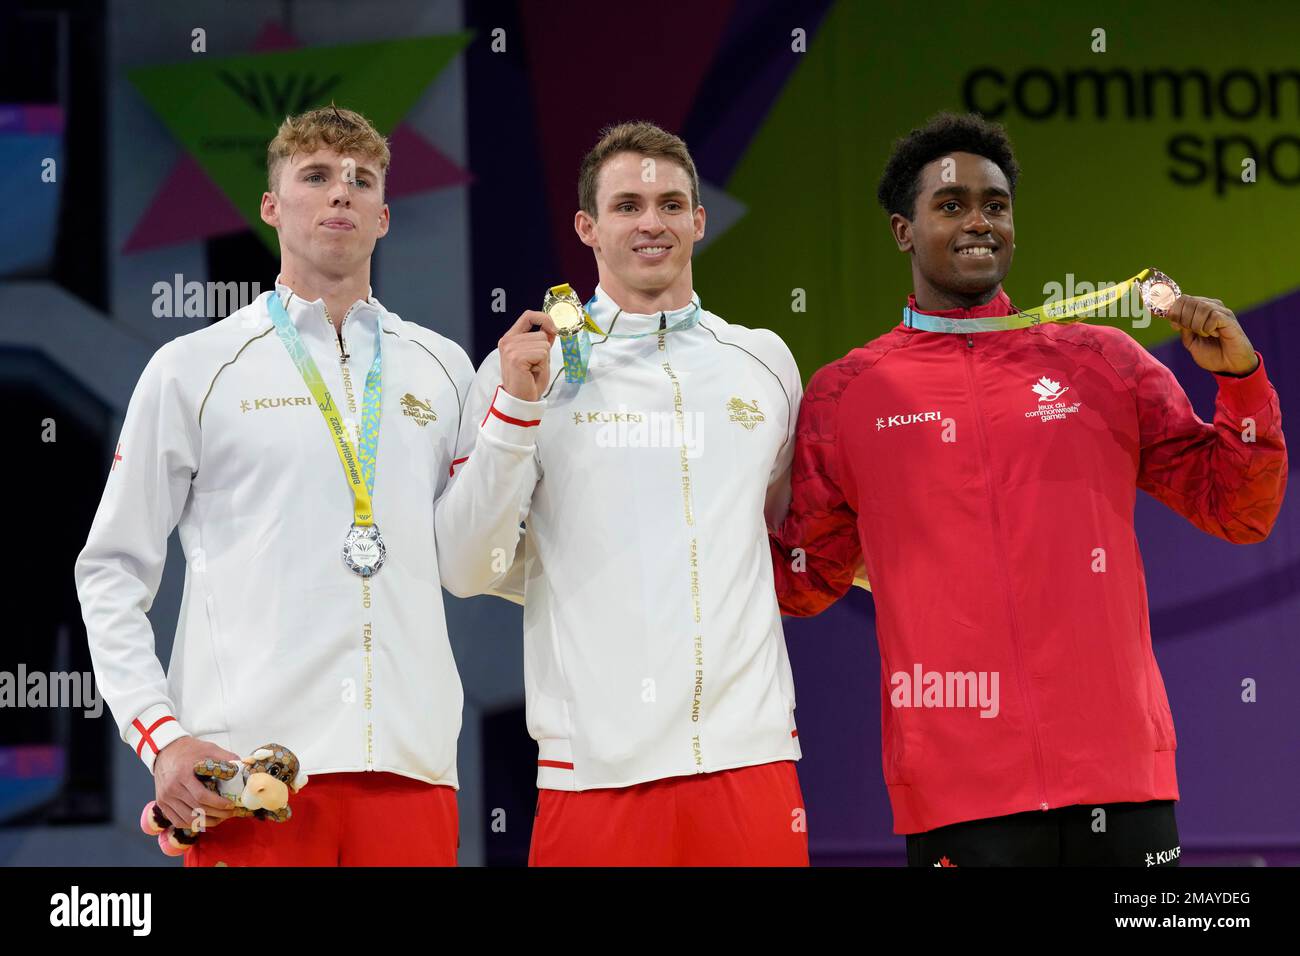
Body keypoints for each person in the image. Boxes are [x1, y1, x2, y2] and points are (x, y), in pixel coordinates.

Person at [769, 112, 1288, 866]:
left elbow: (1238, 510)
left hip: (1122, 781)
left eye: (996, 204)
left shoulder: (1102, 361)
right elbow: (805, 579)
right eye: (950, 206)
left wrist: (1240, 385)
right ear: (902, 231)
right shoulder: (848, 393)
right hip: (958, 794)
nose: (979, 221)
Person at [75, 105, 477, 866]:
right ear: (271, 206)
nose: (341, 195)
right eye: (316, 177)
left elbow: (478, 551)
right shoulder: (195, 367)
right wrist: (160, 736)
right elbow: (110, 570)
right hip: (254, 779)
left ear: (384, 216)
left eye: (361, 181)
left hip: (414, 777)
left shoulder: (444, 369)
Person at [435, 121, 808, 865]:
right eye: (628, 204)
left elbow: (779, 536)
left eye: (672, 204)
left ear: (698, 222)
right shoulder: (523, 371)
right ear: (588, 227)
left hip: (750, 759)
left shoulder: (763, 363)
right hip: (597, 772)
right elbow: (464, 568)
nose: (652, 222)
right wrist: (515, 411)